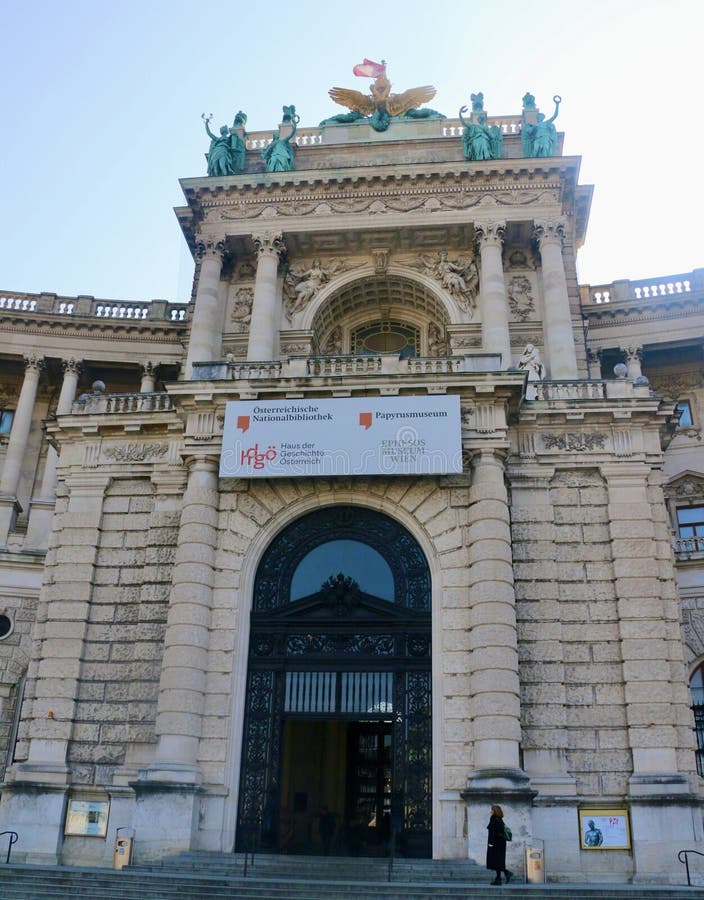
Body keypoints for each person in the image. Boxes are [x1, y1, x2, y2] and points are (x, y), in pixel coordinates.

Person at [486, 804, 513, 886]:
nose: (491, 811)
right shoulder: (499, 820)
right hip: (500, 843)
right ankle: (501, 877)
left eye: (492, 810)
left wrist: (491, 843)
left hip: (496, 843)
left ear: (495, 811)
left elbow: (495, 833)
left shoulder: (495, 820)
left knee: (496, 861)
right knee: (497, 861)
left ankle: (502, 876)